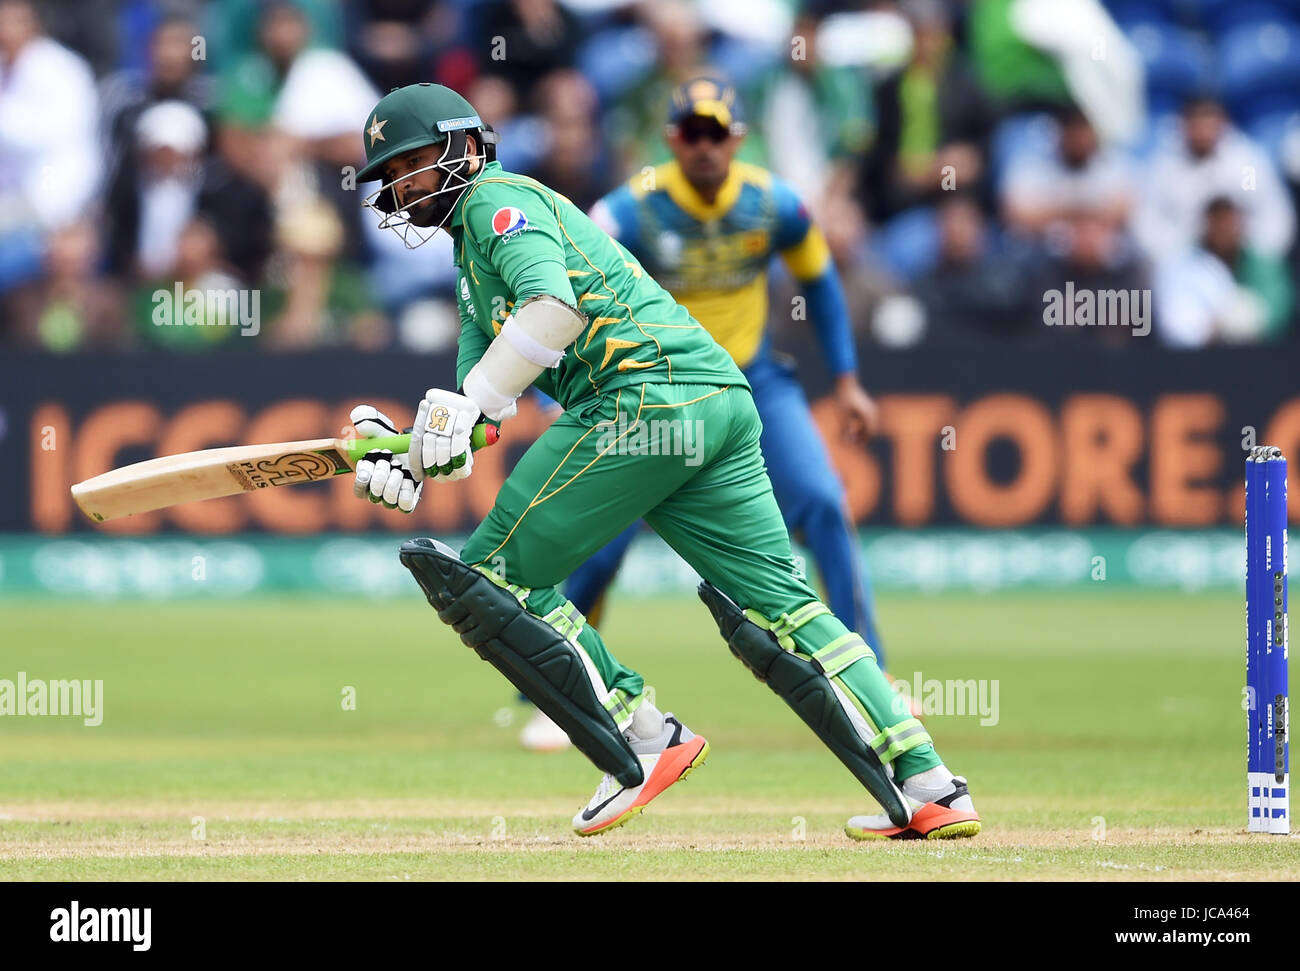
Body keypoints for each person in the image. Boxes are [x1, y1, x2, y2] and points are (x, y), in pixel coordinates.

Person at [348, 82, 981, 840]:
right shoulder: (470, 267)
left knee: (491, 580)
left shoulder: (495, 201)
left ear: (468, 147)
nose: (405, 182)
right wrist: (411, 457)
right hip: (712, 399)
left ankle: (644, 737)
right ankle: (928, 784)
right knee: (777, 611)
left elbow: (553, 310)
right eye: (393, 173)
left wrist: (465, 406)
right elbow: (479, 411)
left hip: (639, 398)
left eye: (415, 160)